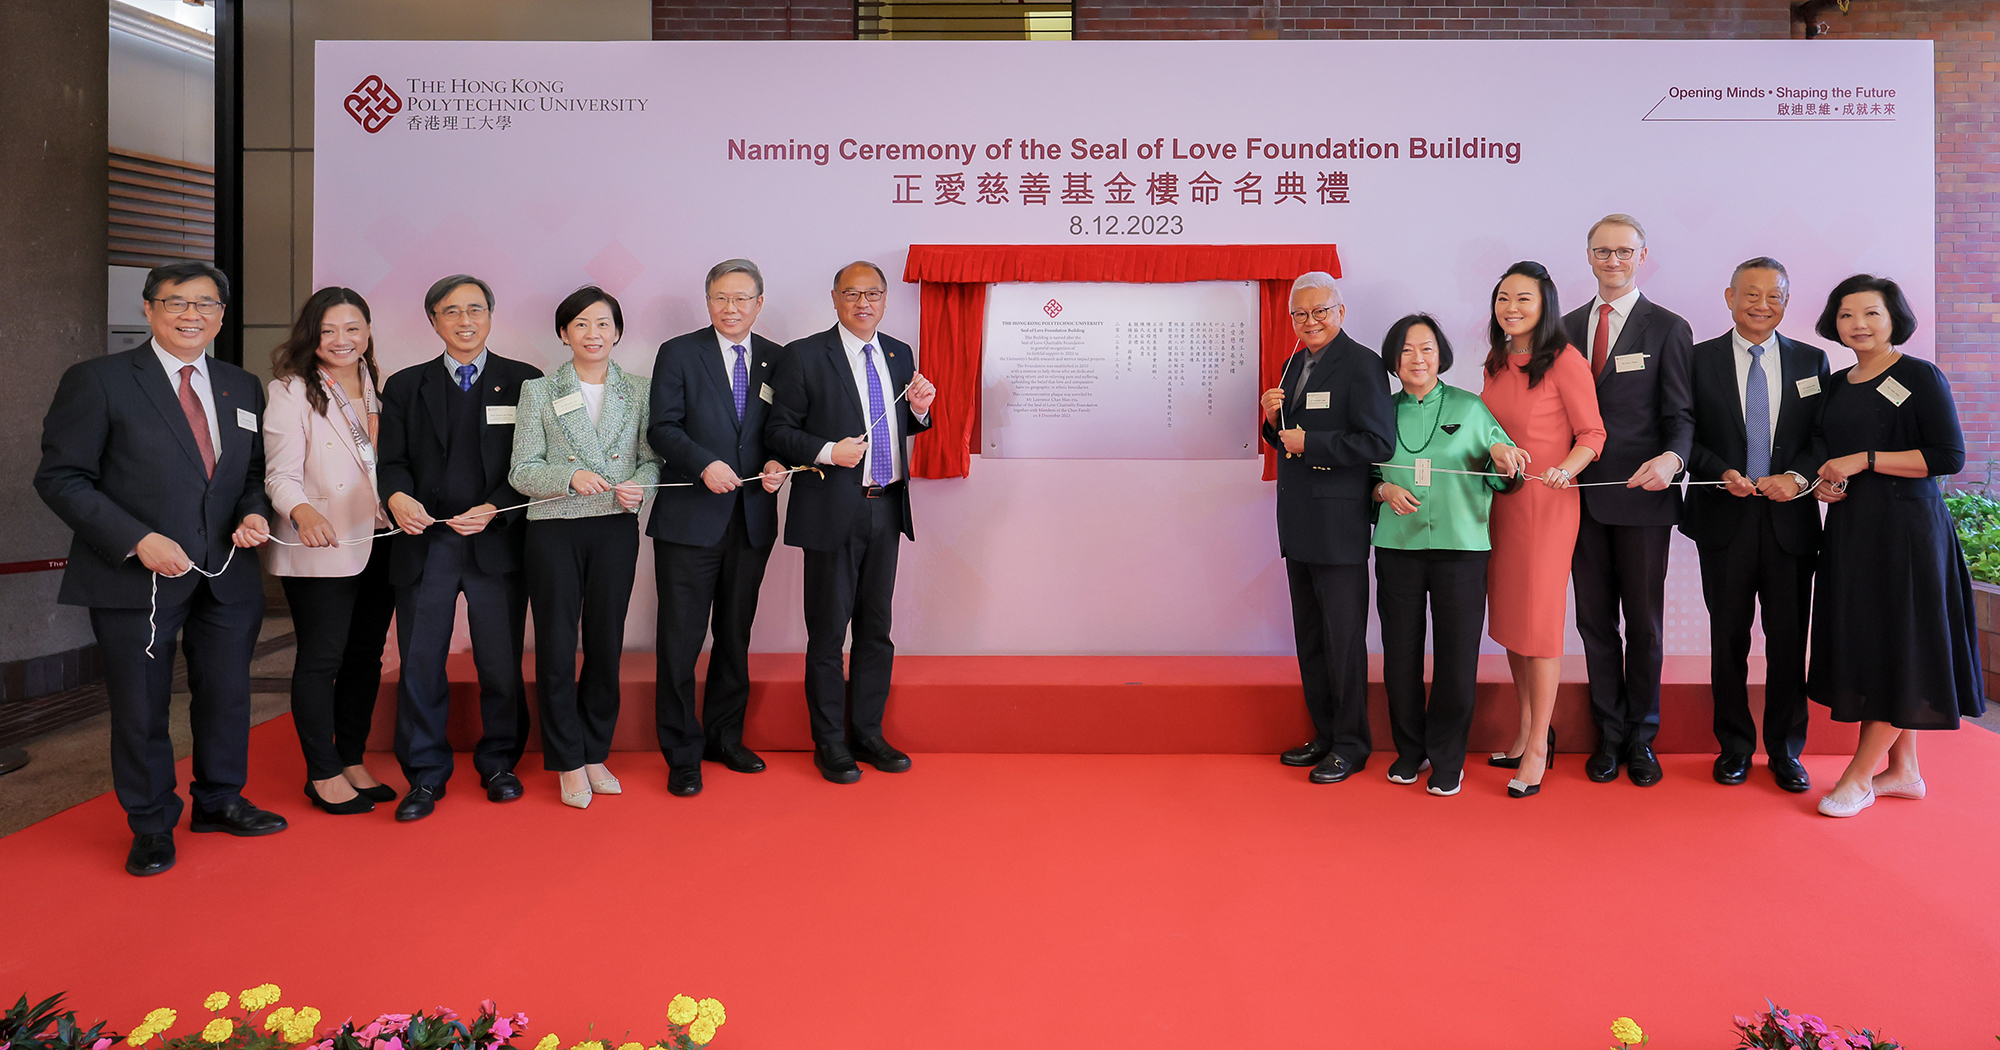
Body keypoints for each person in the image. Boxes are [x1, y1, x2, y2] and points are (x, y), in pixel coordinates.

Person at [35, 261, 284, 876]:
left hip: (224, 570)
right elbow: (61, 477)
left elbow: (248, 476)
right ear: (148, 309)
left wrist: (253, 513)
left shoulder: (240, 385)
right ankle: (150, 822)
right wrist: (136, 538)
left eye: (206, 304)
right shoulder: (99, 381)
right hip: (134, 575)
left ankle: (220, 799)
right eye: (176, 303)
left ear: (222, 316)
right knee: (141, 704)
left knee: (227, 695)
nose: (191, 314)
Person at [1806, 274, 1984, 817]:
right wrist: (1828, 482)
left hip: (1907, 533)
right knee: (1877, 642)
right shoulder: (1836, 383)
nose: (1858, 324)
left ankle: (1859, 776)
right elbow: (1829, 453)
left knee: (1900, 644)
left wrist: (1863, 460)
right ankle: (1903, 770)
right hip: (1854, 531)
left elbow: (1947, 456)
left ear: (1894, 319)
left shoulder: (1918, 375)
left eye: (1871, 314)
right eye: (1846, 315)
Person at [376, 274, 542, 822]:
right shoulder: (404, 386)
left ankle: (500, 763)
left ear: (492, 317)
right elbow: (391, 460)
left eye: (475, 309)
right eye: (451, 312)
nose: (465, 321)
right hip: (426, 540)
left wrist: (494, 506)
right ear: (433, 321)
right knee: (421, 661)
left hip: (495, 540)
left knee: (499, 661)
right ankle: (424, 775)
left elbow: (532, 462)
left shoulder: (526, 382)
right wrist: (397, 497)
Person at [764, 261, 937, 784]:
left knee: (876, 630)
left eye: (874, 294)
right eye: (853, 294)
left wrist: (921, 413)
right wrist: (826, 450)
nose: (864, 303)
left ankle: (868, 731)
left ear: (886, 300)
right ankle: (830, 742)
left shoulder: (898, 352)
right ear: (835, 299)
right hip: (831, 510)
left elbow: (894, 424)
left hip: (886, 505)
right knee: (827, 633)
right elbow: (778, 431)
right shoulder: (803, 355)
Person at [1680, 258, 1828, 793]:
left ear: (1787, 301)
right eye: (1751, 294)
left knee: (1789, 642)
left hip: (1791, 521)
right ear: (1729, 296)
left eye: (1775, 295)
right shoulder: (1697, 361)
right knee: (1728, 640)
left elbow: (1822, 440)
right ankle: (1735, 747)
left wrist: (1797, 476)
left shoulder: (1814, 361)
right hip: (1725, 518)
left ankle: (1786, 751)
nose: (1762, 304)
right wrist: (1719, 471)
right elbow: (1682, 434)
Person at [509, 286, 660, 809]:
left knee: (605, 642)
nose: (592, 334)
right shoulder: (538, 390)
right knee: (554, 644)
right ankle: (566, 759)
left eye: (602, 324)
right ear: (563, 333)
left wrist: (643, 484)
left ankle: (595, 748)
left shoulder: (639, 389)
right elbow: (521, 471)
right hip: (554, 527)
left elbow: (650, 459)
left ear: (617, 331)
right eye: (580, 325)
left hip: (615, 527)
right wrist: (569, 474)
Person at [1560, 214, 1694, 788]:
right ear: (1588, 256)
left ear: (1643, 256)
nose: (1612, 260)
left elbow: (1681, 414)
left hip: (1643, 495)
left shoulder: (1668, 327)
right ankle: (1607, 736)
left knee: (1642, 623)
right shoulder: (1562, 327)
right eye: (1602, 251)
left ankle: (1642, 737)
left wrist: (1675, 460)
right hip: (1578, 498)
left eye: (1623, 251)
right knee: (1593, 624)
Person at [648, 260, 789, 796]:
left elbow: (782, 428)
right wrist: (702, 463)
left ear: (759, 303)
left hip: (751, 520)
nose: (731, 309)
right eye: (720, 299)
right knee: (680, 641)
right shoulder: (679, 353)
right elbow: (662, 426)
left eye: (742, 299)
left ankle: (724, 738)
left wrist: (776, 461)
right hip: (689, 520)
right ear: (707, 301)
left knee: (734, 635)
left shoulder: (778, 359)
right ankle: (681, 752)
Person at [1369, 314, 1526, 797]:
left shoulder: (1470, 407)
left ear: (1442, 356)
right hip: (1398, 548)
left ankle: (1448, 758)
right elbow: (1359, 476)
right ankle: (1410, 750)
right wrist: (1381, 489)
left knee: (1458, 657)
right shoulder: (1379, 410)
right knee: (1399, 655)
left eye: (1428, 349)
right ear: (1394, 360)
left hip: (1462, 549)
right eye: (1408, 350)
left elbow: (1506, 474)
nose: (1418, 359)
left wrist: (1506, 461)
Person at [263, 287, 400, 815]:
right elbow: (279, 473)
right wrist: (301, 512)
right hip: (322, 539)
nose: (342, 340)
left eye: (352, 329)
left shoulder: (382, 388)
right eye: (328, 331)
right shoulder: (291, 391)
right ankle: (321, 771)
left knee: (367, 656)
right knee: (322, 658)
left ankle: (351, 757)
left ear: (367, 332)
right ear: (311, 336)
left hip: (382, 539)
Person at [1260, 272, 1395, 785]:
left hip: (1338, 525)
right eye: (1300, 314)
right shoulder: (1296, 360)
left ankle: (1352, 743)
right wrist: (1274, 422)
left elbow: (1377, 444)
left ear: (1340, 311)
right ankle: (1324, 733)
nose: (1310, 322)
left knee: (1342, 640)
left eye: (1319, 312)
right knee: (1311, 637)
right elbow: (1289, 439)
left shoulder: (1362, 364)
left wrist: (1305, 443)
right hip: (1298, 522)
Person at [1481, 261, 1606, 798]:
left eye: (1523, 300)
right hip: (1501, 504)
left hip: (1549, 503)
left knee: (1540, 624)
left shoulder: (1566, 361)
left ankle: (1536, 749)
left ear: (1545, 306)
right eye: (1503, 298)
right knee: (1511, 620)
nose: (1511, 308)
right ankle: (1528, 729)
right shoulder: (1495, 361)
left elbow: (1592, 434)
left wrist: (1568, 468)